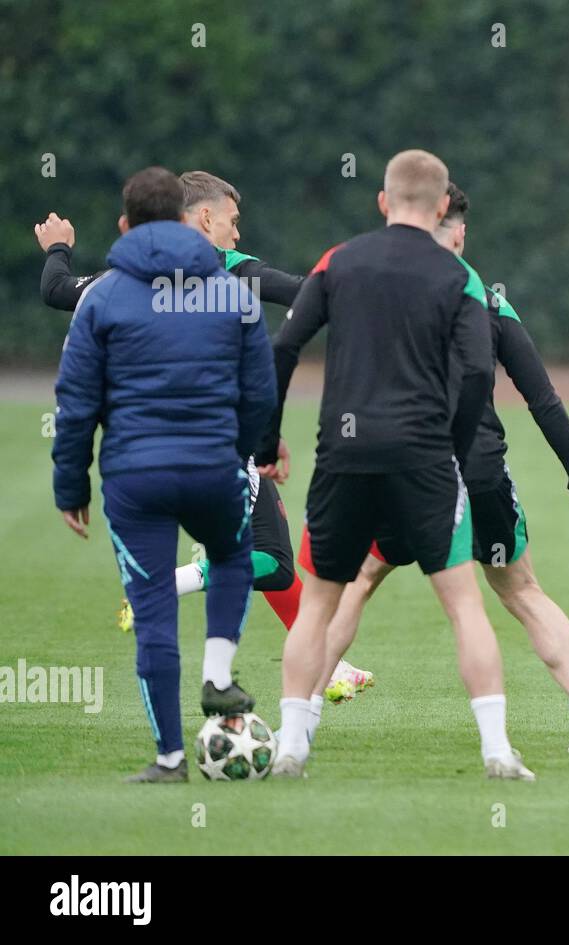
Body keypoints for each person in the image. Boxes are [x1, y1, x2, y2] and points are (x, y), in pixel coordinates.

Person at [304, 183, 569, 754]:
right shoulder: (486, 297)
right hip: (477, 470)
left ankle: (297, 727)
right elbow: (542, 397)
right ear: (458, 230)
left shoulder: (371, 284)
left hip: (399, 466)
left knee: (356, 584)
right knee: (521, 591)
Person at [33, 172, 373, 694]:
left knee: (272, 546)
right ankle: (179, 591)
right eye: (233, 222)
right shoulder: (227, 271)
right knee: (275, 564)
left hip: (141, 456)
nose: (238, 236)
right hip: (219, 449)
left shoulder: (121, 279)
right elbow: (304, 294)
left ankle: (328, 668)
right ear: (205, 218)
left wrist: (58, 248)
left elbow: (57, 290)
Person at [259, 150, 531, 780]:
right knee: (464, 605)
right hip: (424, 457)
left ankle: (291, 747)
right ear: (442, 207)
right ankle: (496, 750)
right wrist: (456, 447)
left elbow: (285, 346)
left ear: (383, 202)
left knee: (321, 603)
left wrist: (265, 439)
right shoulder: (458, 278)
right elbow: (472, 372)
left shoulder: (339, 261)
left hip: (343, 458)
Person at [52, 166, 276, 782]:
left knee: (151, 608)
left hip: (135, 478)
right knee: (231, 558)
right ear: (187, 218)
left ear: (125, 225)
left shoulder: (102, 295)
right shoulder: (231, 290)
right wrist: (244, 450)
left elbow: (75, 402)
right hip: (213, 466)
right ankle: (218, 675)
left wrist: (70, 485)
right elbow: (260, 392)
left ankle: (170, 758)